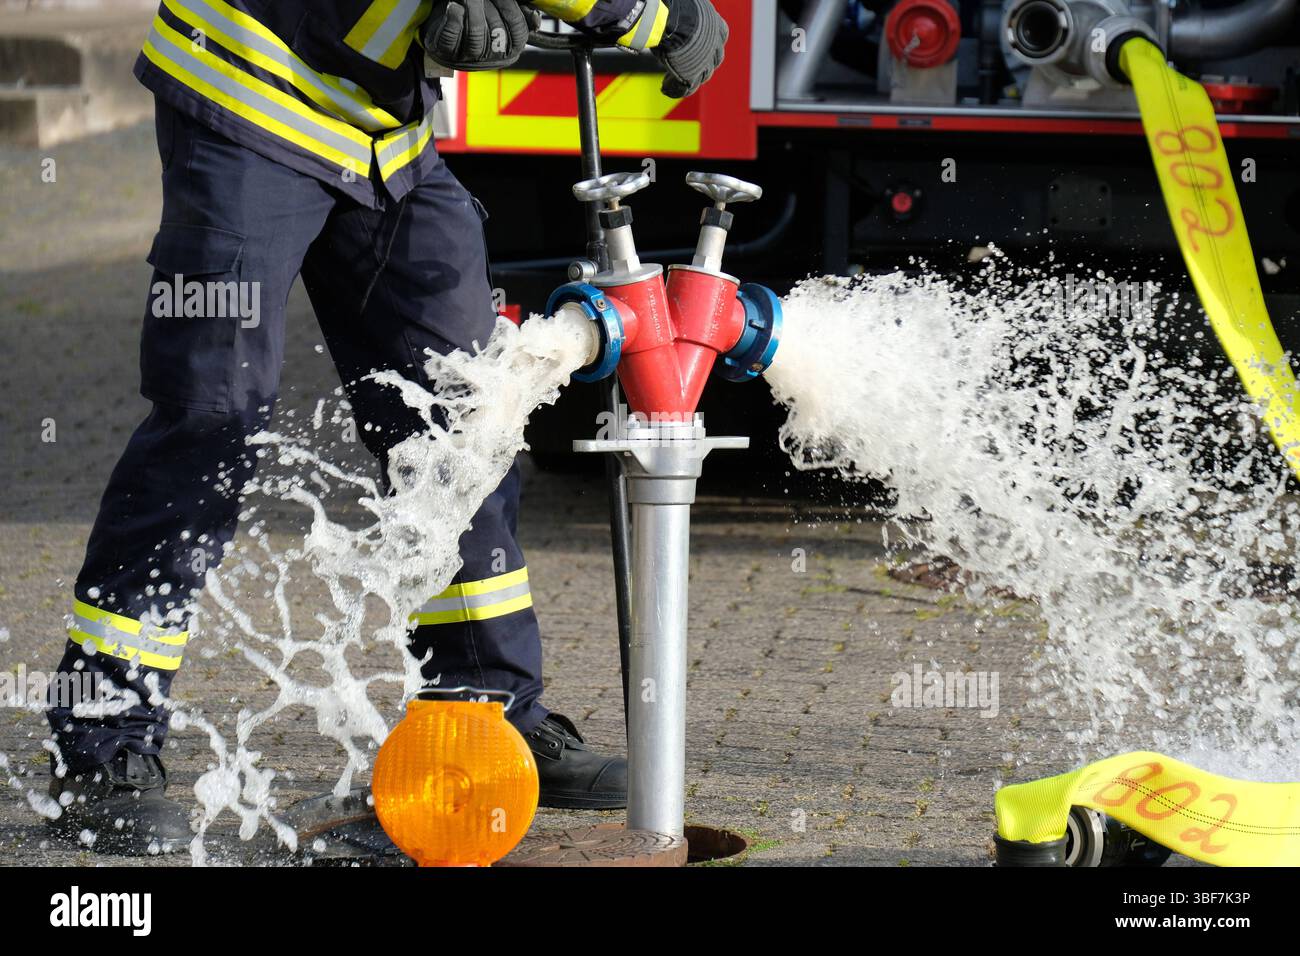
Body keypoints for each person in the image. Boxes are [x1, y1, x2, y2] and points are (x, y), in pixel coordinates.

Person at [44, 0, 728, 854]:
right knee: (209, 415)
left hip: (380, 135)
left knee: (468, 410)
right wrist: (650, 16)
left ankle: (487, 718)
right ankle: (102, 739)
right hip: (252, 93)